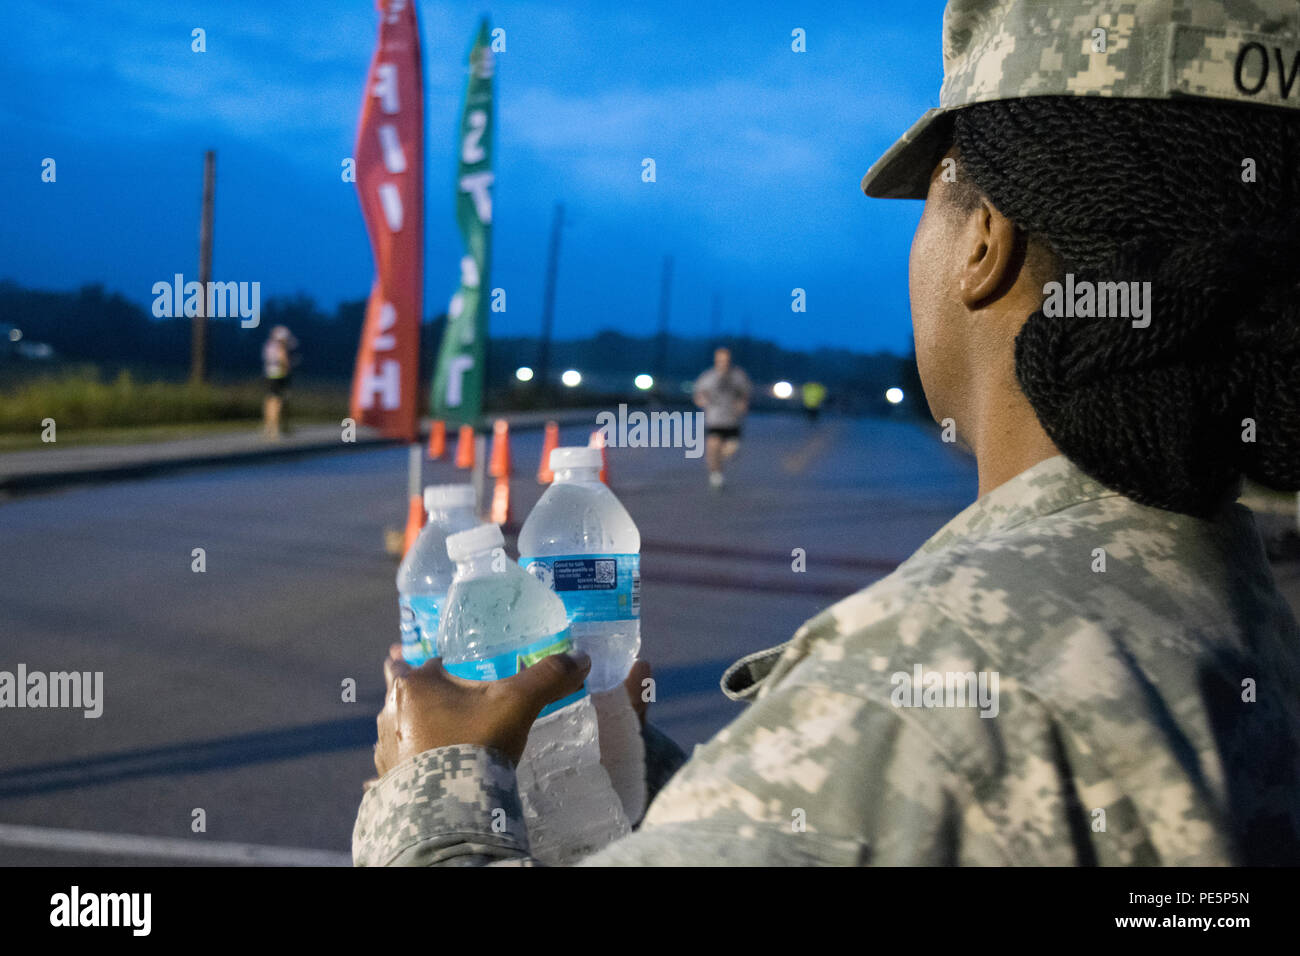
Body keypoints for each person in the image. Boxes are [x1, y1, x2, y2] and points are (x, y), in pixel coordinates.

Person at [354, 0, 1300, 866]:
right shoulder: (1232, 610)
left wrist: (432, 788)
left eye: (930, 193)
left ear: (984, 243)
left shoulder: (936, 676)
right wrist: (625, 762)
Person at [692, 347, 752, 490]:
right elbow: (699, 394)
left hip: (732, 420)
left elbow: (745, 394)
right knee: (712, 447)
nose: (723, 363)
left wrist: (742, 404)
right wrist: (701, 400)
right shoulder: (708, 377)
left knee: (729, 451)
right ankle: (716, 474)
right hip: (715, 418)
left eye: (726, 360)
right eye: (720, 360)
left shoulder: (738, 376)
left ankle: (722, 459)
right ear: (715, 360)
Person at [262, 325, 297, 439]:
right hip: (280, 374)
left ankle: (268, 426)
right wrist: (289, 366)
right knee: (278, 401)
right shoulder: (281, 346)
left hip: (269, 373)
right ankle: (275, 428)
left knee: (269, 400)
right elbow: (283, 359)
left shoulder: (269, 345)